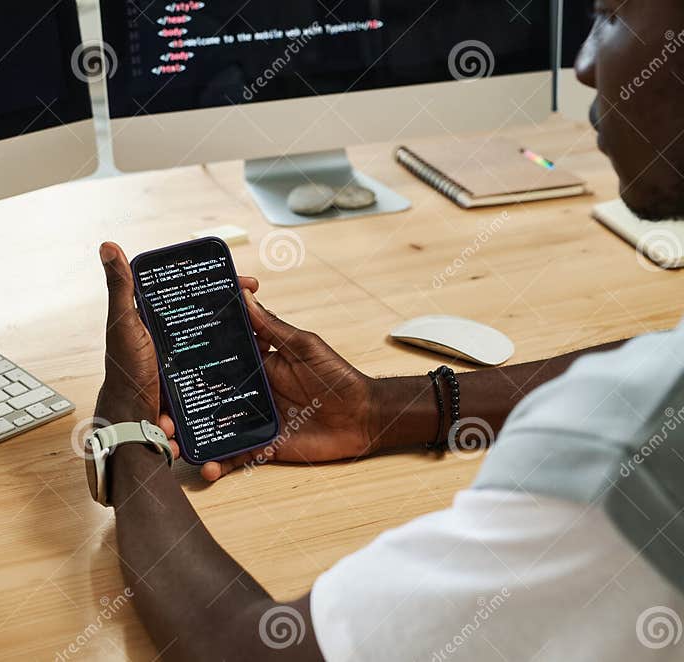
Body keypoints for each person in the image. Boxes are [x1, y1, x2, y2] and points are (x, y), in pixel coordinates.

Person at [88, 4, 684, 660]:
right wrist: (384, 408)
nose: (583, 64)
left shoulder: (629, 456)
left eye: (610, 15)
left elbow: (247, 650)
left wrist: (127, 437)